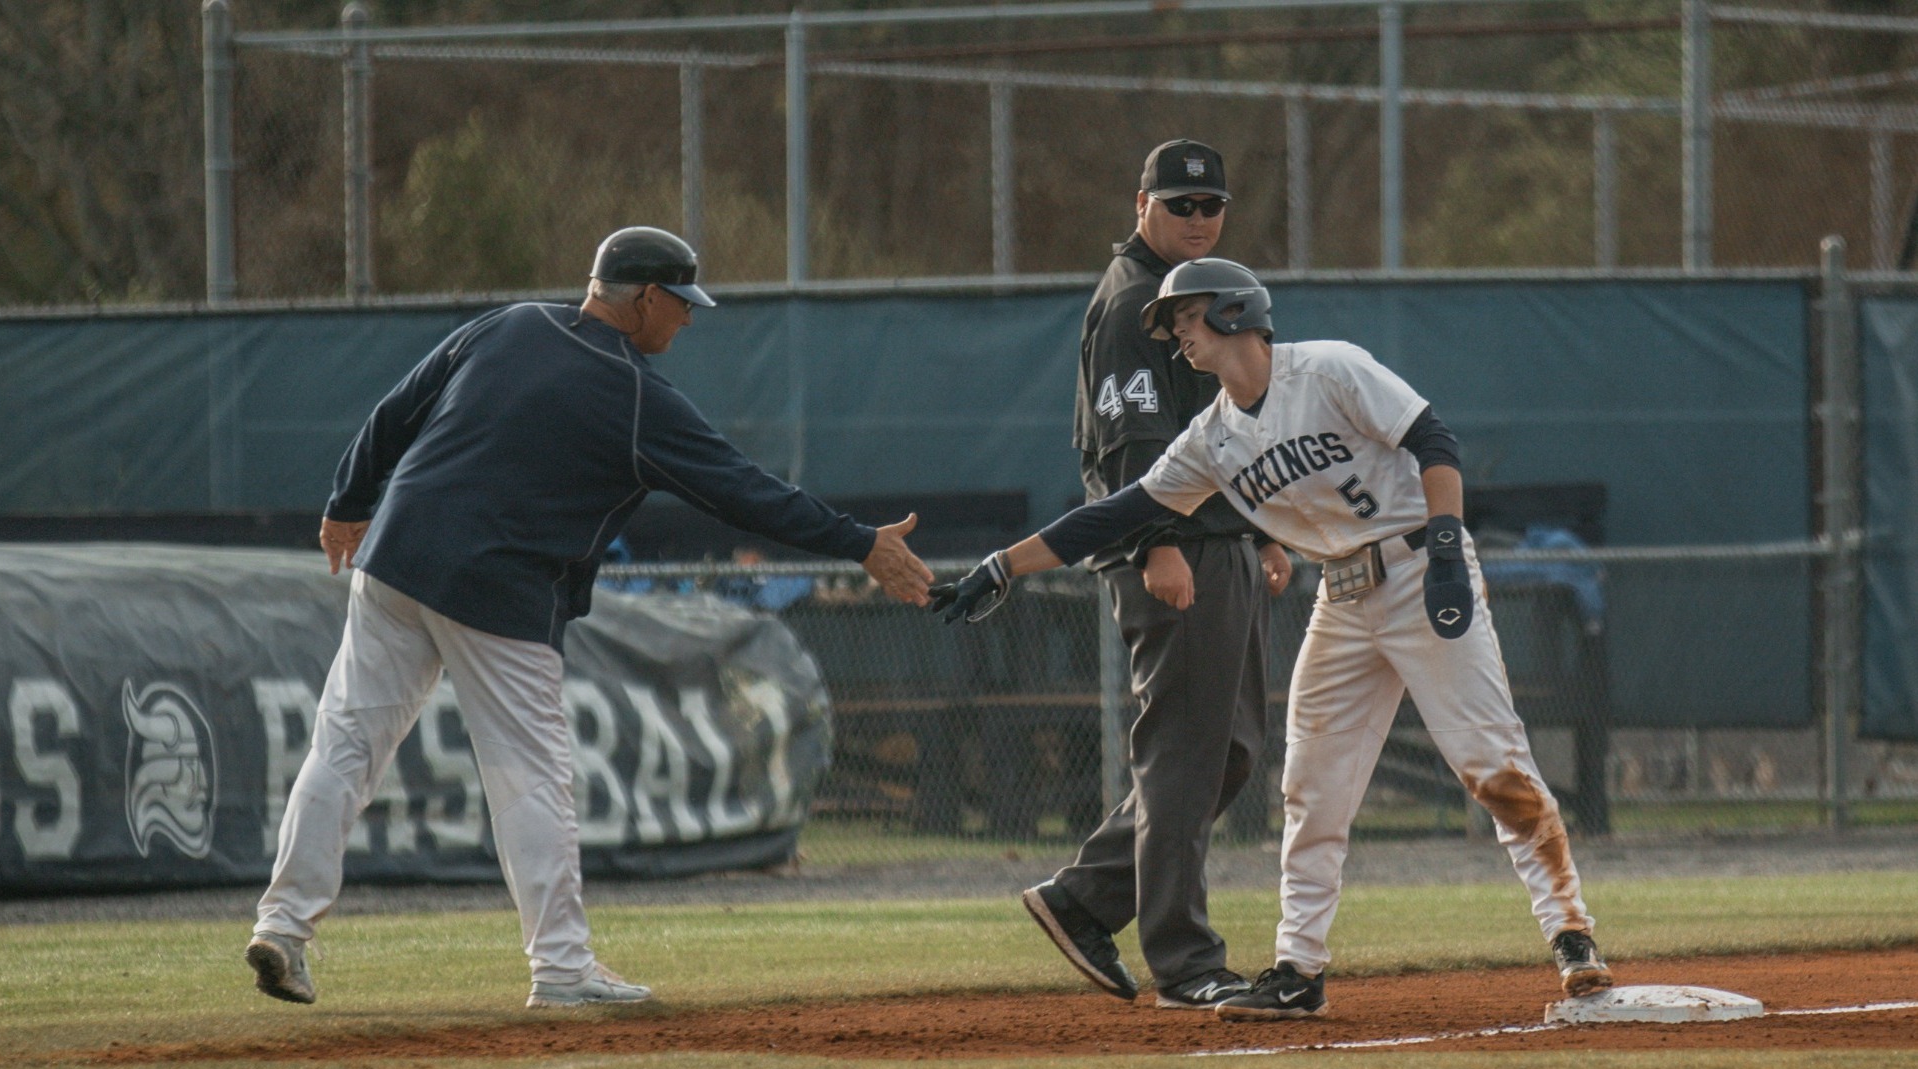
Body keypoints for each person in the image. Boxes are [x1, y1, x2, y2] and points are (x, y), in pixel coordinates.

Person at [246, 226, 933, 1010]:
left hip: (396, 562)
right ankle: (563, 970)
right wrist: (857, 544)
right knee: (530, 779)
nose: (688, 318)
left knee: (343, 747)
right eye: (680, 302)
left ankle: (283, 925)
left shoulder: (511, 324)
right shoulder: (635, 396)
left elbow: (395, 412)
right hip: (499, 594)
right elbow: (746, 492)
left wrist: (346, 504)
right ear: (643, 296)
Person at [933, 257, 1613, 1021]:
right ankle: (1297, 969)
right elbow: (1115, 514)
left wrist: (1450, 546)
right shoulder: (1212, 437)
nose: (1174, 336)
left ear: (1230, 312)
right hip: (1344, 595)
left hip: (1418, 568)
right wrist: (1003, 565)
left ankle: (1570, 935)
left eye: (1182, 319)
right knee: (1311, 787)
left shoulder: (1326, 369)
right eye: (1168, 326)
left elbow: (1431, 438)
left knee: (1490, 763)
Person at [1018, 139, 1285, 1012]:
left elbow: (1219, 437)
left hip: (1221, 543)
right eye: (1179, 206)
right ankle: (1185, 960)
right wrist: (1150, 546)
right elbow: (1131, 444)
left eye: (1210, 207)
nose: (1198, 220)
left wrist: (1262, 529)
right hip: (1177, 553)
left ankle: (1084, 900)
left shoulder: (1192, 292)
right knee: (1185, 754)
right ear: (1140, 206)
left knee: (1230, 752)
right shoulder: (1137, 298)